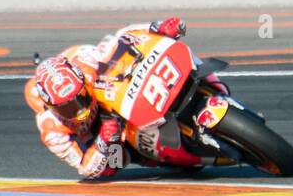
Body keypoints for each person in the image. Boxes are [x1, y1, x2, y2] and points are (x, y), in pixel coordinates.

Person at [25, 18, 193, 178]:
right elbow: (85, 169)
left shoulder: (86, 61)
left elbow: (123, 36)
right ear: (51, 107)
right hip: (100, 137)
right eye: (66, 108)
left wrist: (157, 28)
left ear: (83, 80)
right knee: (113, 166)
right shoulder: (52, 131)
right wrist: (102, 142)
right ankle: (162, 156)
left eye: (80, 98)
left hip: (110, 96)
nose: (80, 111)